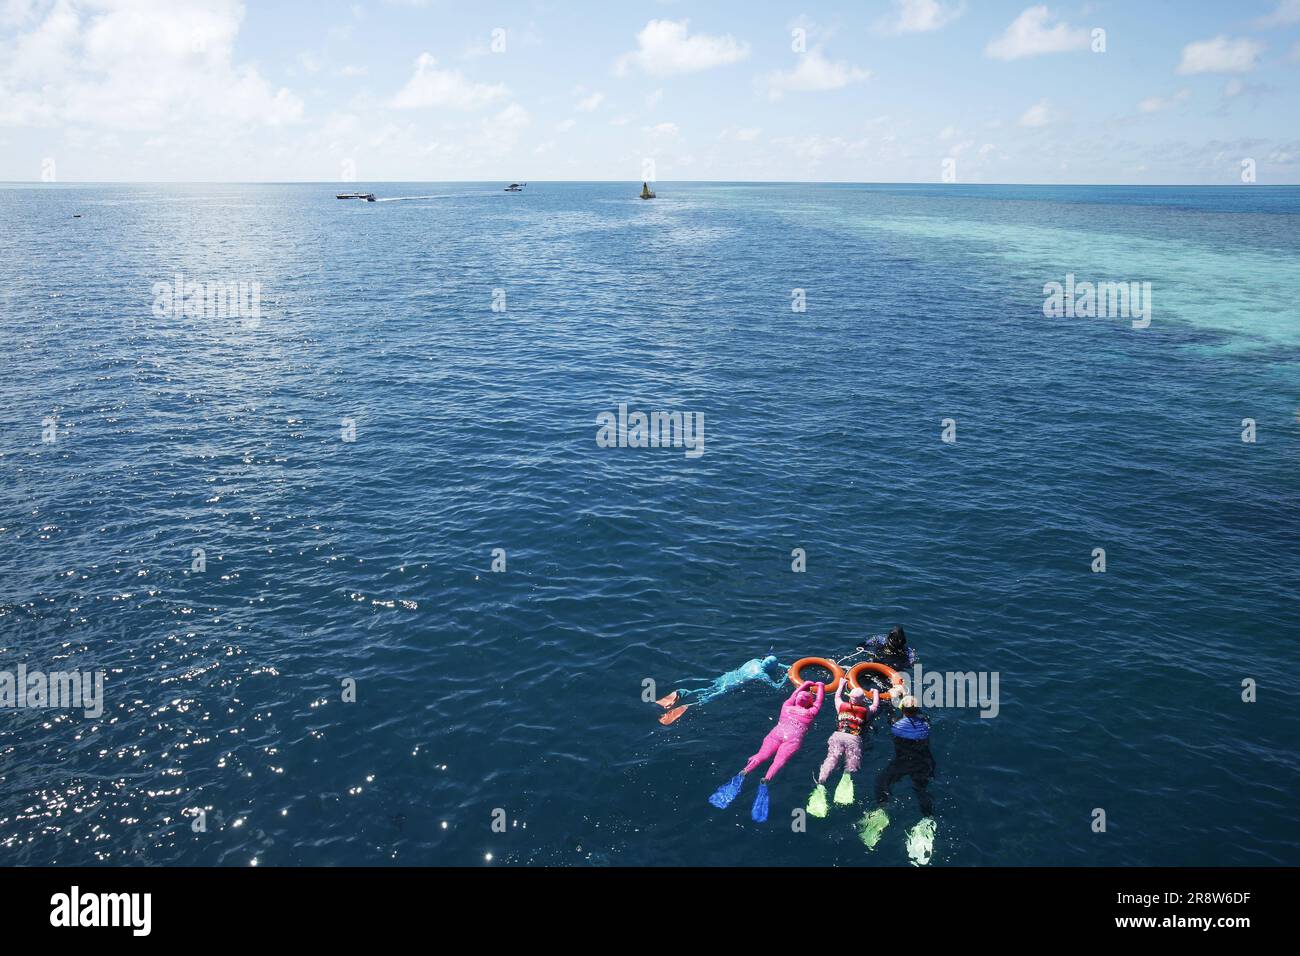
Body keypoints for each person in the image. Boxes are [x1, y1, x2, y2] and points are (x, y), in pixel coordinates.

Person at [708, 680, 825, 823]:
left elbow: (794, 694)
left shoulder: (786, 706)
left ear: (797, 700)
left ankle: (744, 771)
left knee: (761, 755)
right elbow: (819, 700)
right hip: (793, 738)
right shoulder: (811, 712)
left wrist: (805, 684)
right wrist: (821, 686)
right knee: (779, 761)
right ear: (809, 703)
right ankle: (766, 780)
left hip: (777, 733)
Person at [859, 694, 937, 864]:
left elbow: (890, 715)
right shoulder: (926, 724)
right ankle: (927, 819)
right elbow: (922, 717)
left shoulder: (895, 723)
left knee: (881, 782)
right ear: (917, 710)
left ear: (902, 710)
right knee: (921, 790)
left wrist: (891, 700)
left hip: (901, 762)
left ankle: (882, 808)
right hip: (922, 763)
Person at [806, 683, 879, 818]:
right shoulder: (866, 711)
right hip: (854, 738)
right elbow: (875, 705)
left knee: (831, 759)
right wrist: (875, 692)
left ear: (850, 699)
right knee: (852, 762)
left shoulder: (841, 706)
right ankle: (847, 776)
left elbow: (837, 696)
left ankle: (821, 783)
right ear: (862, 700)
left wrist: (841, 684)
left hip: (838, 735)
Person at [654, 655, 786, 725]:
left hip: (726, 678)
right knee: (707, 699)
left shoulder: (754, 661)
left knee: (707, 689)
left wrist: (787, 665)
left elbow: (768, 661)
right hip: (730, 687)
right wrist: (787, 675)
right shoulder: (761, 674)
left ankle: (682, 692)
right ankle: (687, 706)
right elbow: (777, 687)